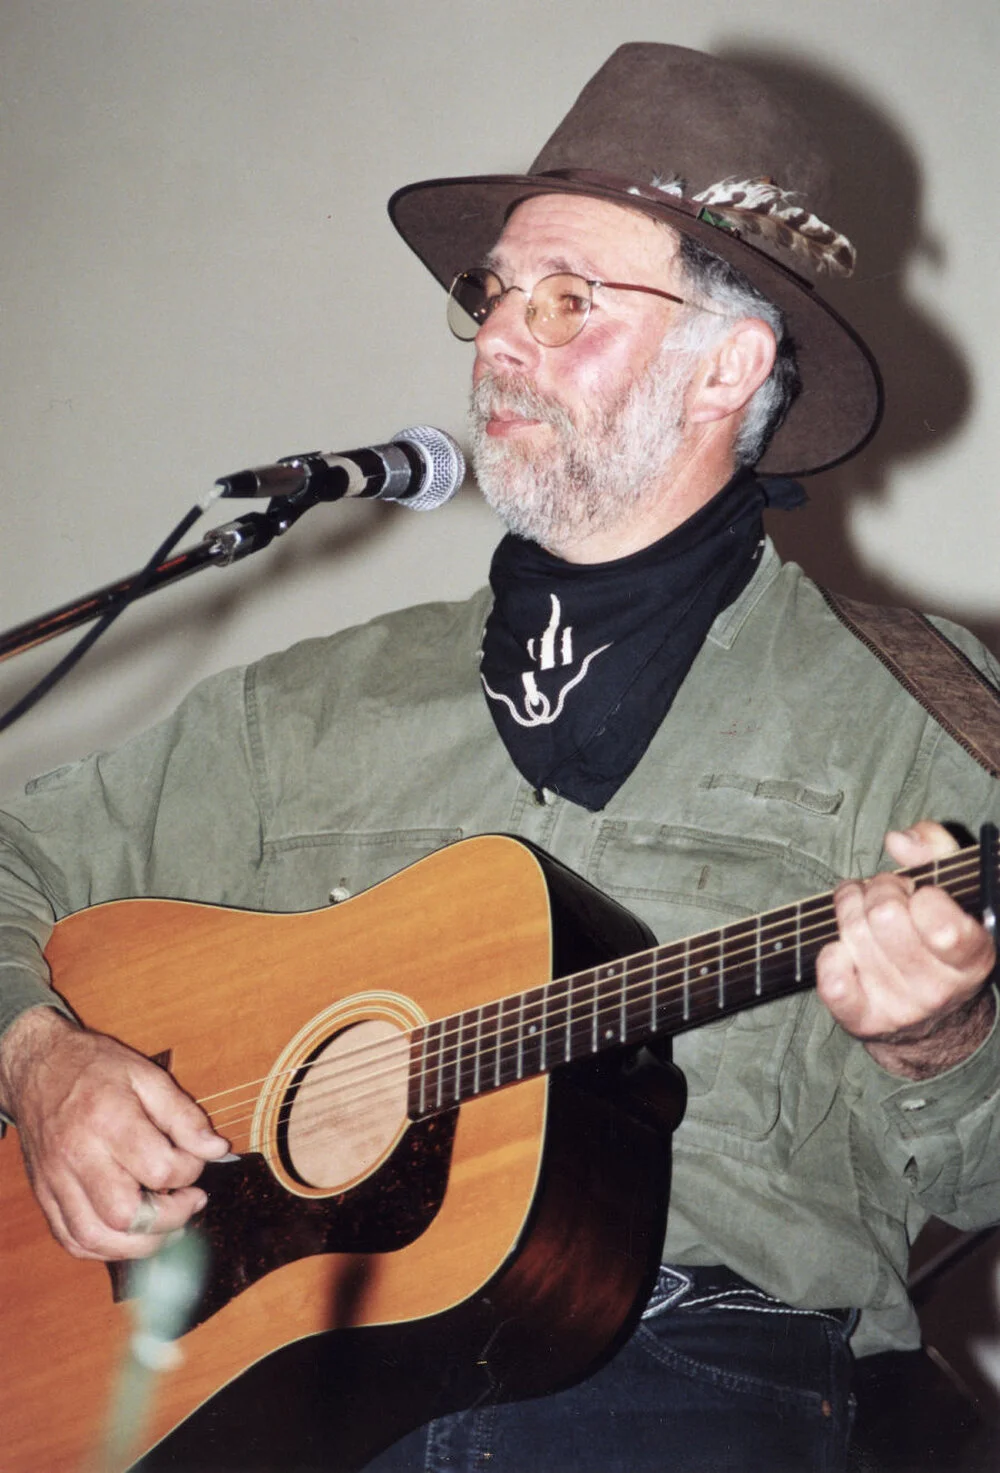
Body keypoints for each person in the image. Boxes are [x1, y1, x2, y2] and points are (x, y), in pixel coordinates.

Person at [1, 41, 998, 1473]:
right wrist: (41, 1061)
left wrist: (942, 1042)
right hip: (266, 1391)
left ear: (730, 363)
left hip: (690, 1369)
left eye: (566, 299)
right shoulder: (306, 708)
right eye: (493, 296)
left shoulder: (919, 715)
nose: (495, 341)